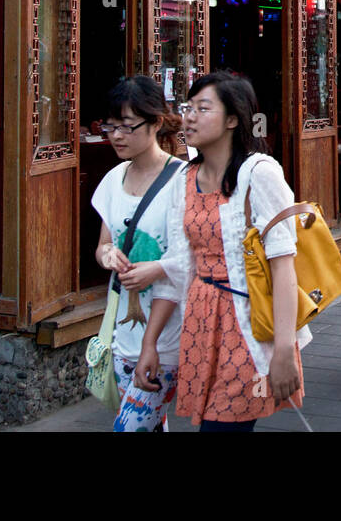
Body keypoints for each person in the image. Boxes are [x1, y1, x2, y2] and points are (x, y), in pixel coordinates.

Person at [143, 72, 306, 432]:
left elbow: (282, 267)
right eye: (188, 107)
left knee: (222, 426)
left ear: (233, 119)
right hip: (200, 325)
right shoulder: (184, 179)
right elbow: (179, 269)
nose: (190, 117)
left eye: (203, 108)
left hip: (247, 326)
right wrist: (150, 344)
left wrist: (283, 349)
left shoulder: (260, 173)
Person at [91, 76, 186, 432]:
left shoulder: (183, 181)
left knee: (129, 428)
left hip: (168, 338)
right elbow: (103, 245)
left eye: (127, 126)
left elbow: (190, 259)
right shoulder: (113, 179)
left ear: (156, 122)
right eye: (110, 126)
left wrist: (157, 268)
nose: (116, 135)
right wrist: (109, 257)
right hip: (123, 335)